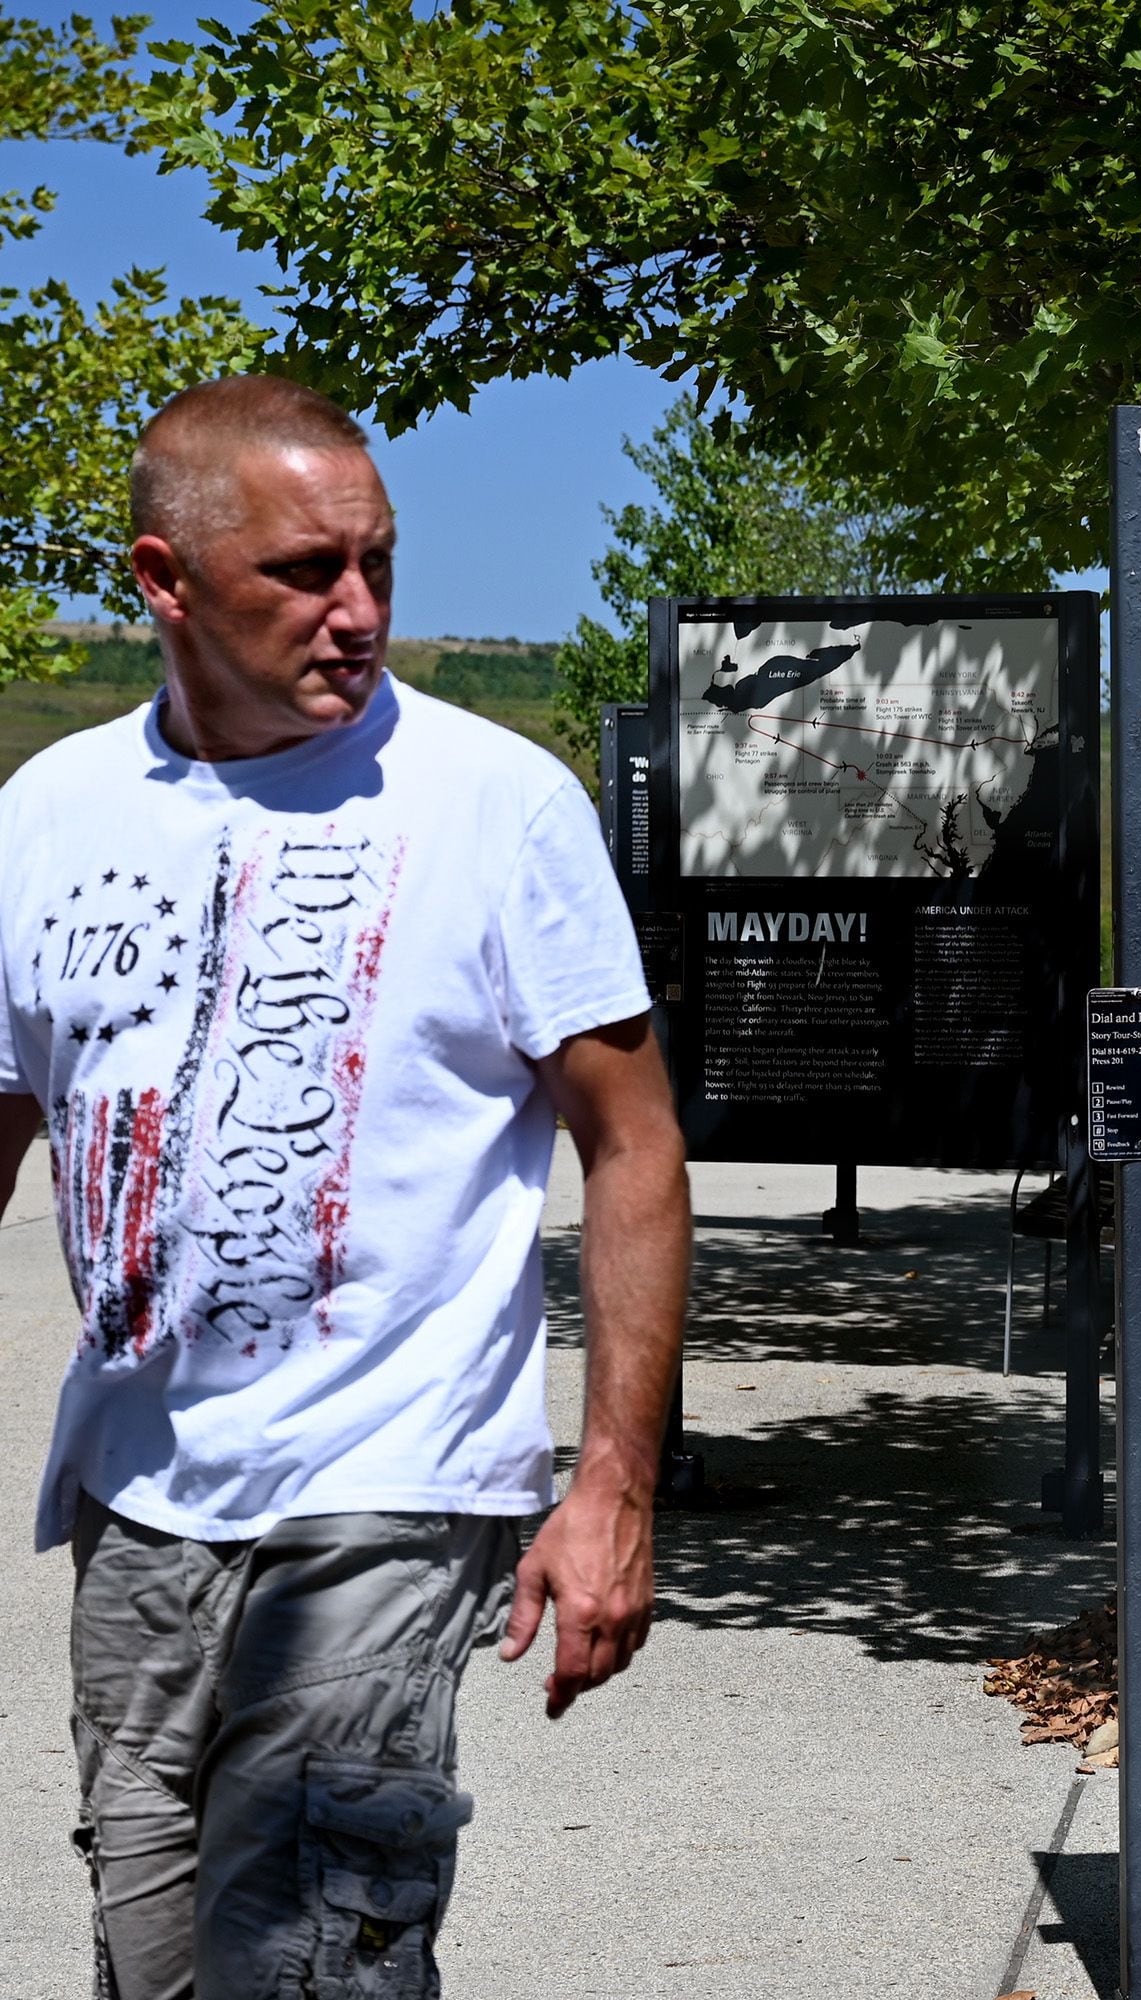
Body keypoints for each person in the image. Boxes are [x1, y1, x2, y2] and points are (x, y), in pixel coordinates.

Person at [0, 375, 689, 1997]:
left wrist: (613, 1490)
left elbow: (633, 1141)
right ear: (165, 580)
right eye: (306, 573)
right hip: (139, 1493)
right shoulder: (46, 813)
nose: (360, 611)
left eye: (378, 562)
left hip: (389, 1489)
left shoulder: (495, 804)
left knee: (313, 1963)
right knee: (151, 1955)